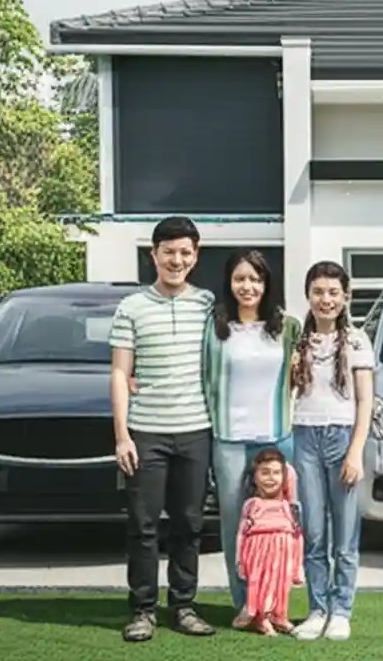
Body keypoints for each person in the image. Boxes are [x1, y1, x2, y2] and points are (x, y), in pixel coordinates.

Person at [109, 215, 217, 642]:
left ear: (195, 256)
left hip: (196, 431)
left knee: (189, 523)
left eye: (184, 252)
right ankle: (142, 610)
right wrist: (122, 435)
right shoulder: (131, 307)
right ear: (153, 255)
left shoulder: (209, 304)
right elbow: (120, 373)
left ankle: (185, 605)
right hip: (145, 433)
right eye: (168, 252)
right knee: (143, 525)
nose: (176, 260)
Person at [200, 249, 302, 628]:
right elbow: (201, 377)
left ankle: (275, 605)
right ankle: (246, 604)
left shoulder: (288, 327)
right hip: (228, 439)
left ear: (267, 284)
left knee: (279, 527)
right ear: (229, 283)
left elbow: (307, 372)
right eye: (240, 279)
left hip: (277, 439)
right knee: (237, 527)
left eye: (256, 279)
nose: (248, 286)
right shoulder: (213, 328)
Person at [288, 261, 374, 642]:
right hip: (304, 436)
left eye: (333, 292)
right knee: (314, 532)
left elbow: (366, 401)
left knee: (345, 532)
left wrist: (356, 451)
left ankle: (342, 610)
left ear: (345, 297)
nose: (326, 299)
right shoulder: (297, 340)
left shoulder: (356, 341)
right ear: (308, 295)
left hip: (342, 438)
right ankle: (317, 608)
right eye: (318, 292)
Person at [235, 448, 305, 636]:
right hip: (258, 554)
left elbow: (297, 534)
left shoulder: (289, 506)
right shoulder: (252, 505)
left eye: (276, 473)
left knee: (280, 586)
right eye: (264, 473)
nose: (271, 478)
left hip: (282, 552)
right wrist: (240, 561)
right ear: (255, 477)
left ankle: (279, 616)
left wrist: (297, 563)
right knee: (261, 585)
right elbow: (242, 534)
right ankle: (262, 618)